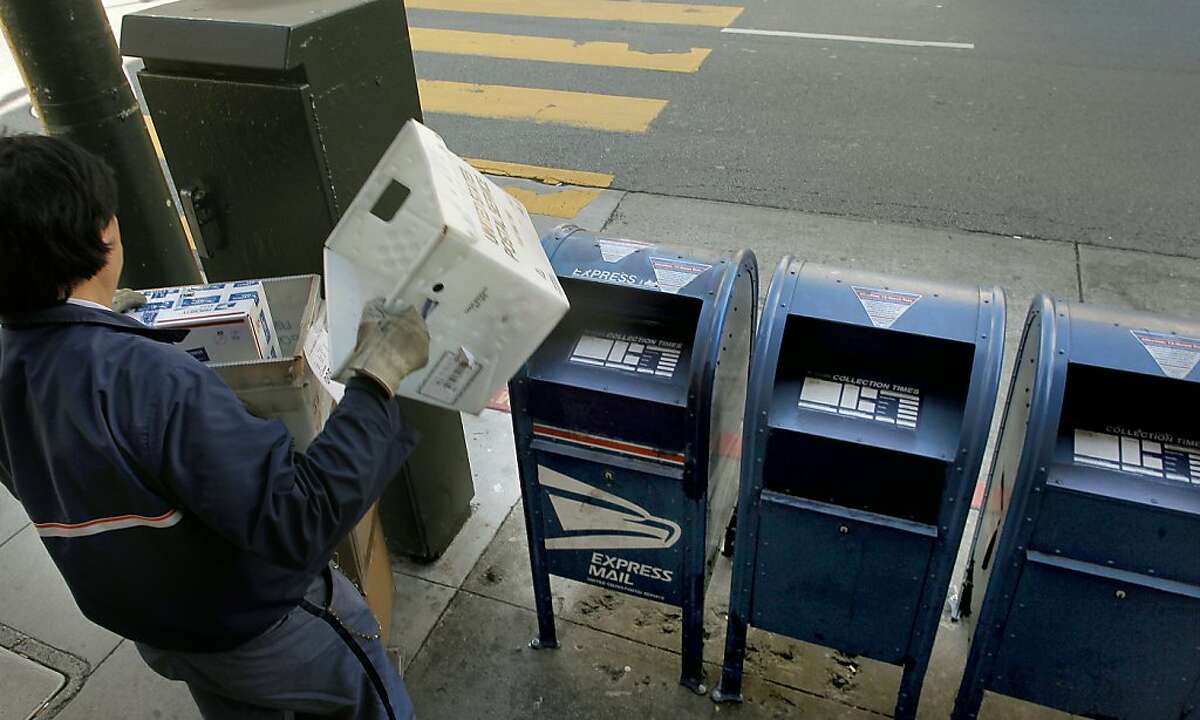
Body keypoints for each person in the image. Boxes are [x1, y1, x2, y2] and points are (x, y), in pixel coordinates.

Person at [0, 134, 429, 720]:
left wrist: (97, 325)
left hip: (167, 631)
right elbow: (300, 516)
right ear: (103, 235)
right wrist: (379, 379)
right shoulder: (151, 379)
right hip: (261, 625)